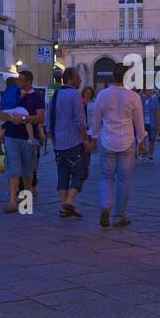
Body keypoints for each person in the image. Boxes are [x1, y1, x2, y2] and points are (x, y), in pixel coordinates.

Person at [89, 62, 145, 228]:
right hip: (127, 141)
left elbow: (96, 120)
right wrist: (142, 140)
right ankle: (119, 216)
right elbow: (139, 123)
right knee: (124, 180)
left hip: (107, 141)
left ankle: (106, 205)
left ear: (112, 76)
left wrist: (93, 137)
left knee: (107, 177)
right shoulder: (133, 97)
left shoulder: (102, 95)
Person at [0, 69, 45, 214]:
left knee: (27, 170)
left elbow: (41, 117)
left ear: (29, 82)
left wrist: (24, 119)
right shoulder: (11, 94)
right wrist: (11, 118)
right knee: (13, 168)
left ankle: (26, 202)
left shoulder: (37, 97)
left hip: (28, 138)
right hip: (11, 136)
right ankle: (12, 201)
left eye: (21, 80)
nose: (18, 82)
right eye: (18, 80)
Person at [48, 66, 90, 218]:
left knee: (63, 173)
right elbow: (80, 120)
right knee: (80, 172)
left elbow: (48, 118)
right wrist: (85, 138)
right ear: (70, 79)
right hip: (73, 141)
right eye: (78, 77)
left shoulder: (55, 95)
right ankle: (70, 202)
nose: (80, 80)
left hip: (58, 142)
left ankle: (64, 206)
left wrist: (51, 137)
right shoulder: (74, 95)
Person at [141, 90, 160, 162]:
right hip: (142, 123)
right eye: (148, 90)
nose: (150, 91)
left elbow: (157, 112)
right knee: (142, 140)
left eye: (151, 90)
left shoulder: (154, 99)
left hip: (152, 123)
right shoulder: (141, 99)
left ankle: (150, 156)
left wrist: (157, 124)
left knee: (151, 140)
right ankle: (143, 154)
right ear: (145, 91)